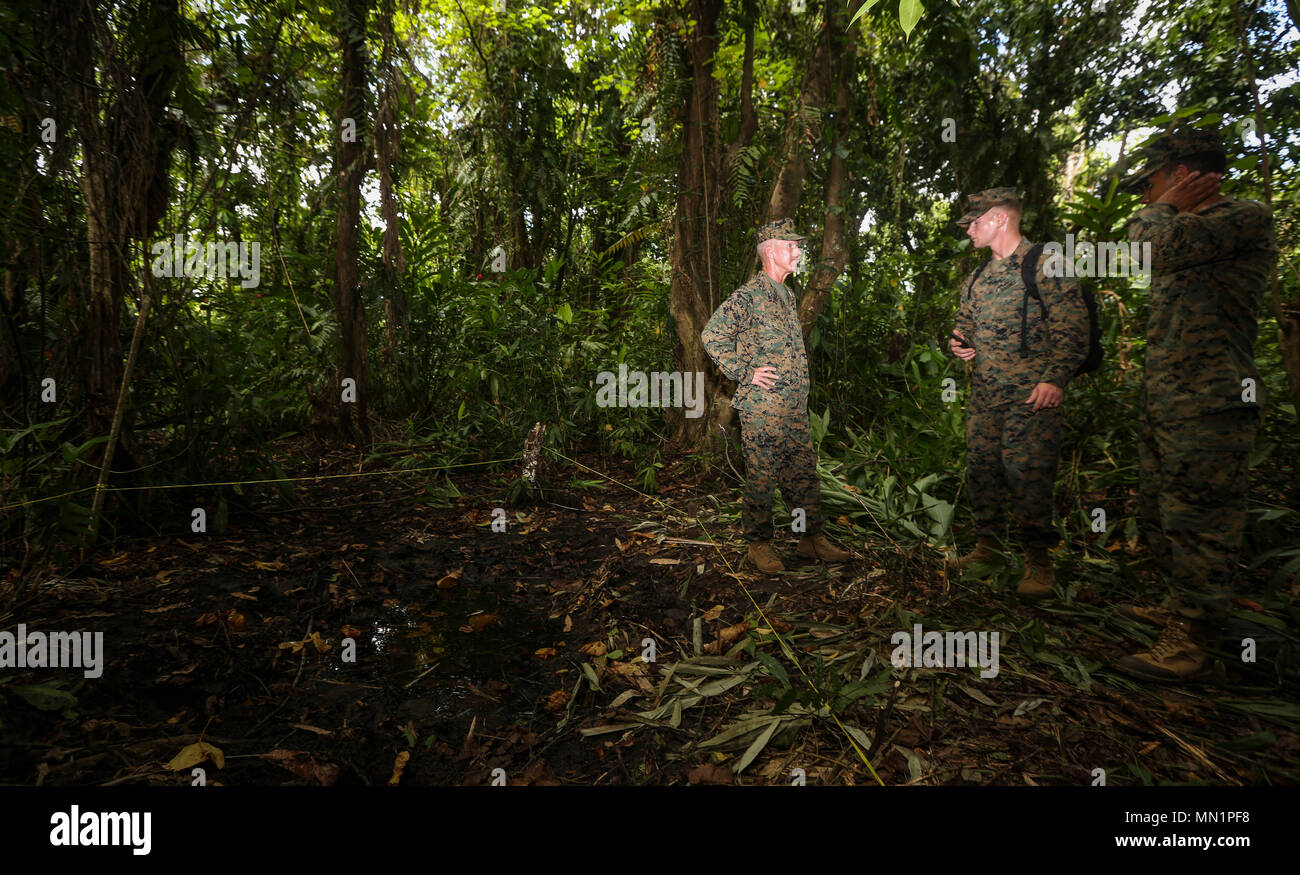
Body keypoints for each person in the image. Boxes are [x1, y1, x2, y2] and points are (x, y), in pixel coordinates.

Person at [1114, 126, 1276, 682]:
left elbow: (1142, 252)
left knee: (1201, 517)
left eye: (1151, 183)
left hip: (1212, 397)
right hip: (1169, 393)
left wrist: (1163, 209)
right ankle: (1175, 609)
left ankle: (1194, 639)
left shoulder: (1242, 216)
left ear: (1181, 176)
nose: (1145, 197)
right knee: (1162, 511)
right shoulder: (1183, 225)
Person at [948, 188, 1089, 598]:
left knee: (1028, 474)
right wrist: (958, 343)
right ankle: (989, 547)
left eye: (975, 222)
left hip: (1033, 396)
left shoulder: (1046, 263)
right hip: (986, 396)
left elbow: (1074, 329)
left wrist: (1055, 378)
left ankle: (1039, 563)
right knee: (982, 469)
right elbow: (963, 326)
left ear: (1000, 219)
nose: (969, 230)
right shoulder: (977, 277)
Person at [702, 219, 851, 574]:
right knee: (763, 477)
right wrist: (745, 372)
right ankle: (758, 543)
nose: (798, 252)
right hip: (763, 408)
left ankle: (807, 537)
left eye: (799, 246)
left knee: (802, 475)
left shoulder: (786, 294)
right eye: (792, 246)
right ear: (771, 250)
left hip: (794, 408)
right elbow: (712, 334)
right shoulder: (749, 295)